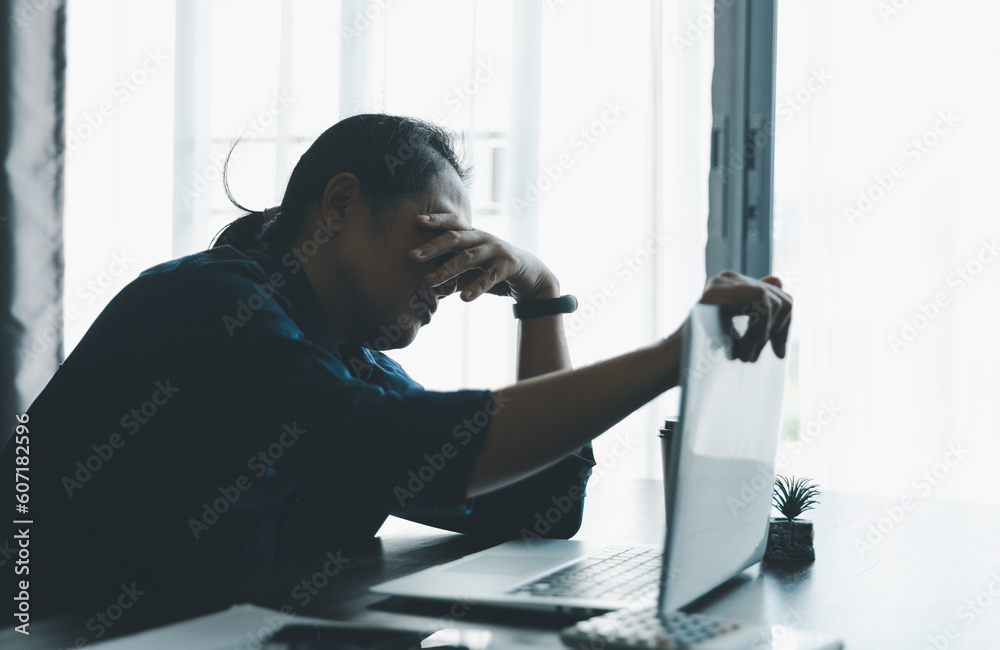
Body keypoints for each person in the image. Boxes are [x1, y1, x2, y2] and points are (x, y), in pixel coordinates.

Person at [1, 114, 791, 617]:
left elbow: (539, 510)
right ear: (341, 204)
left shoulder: (344, 359)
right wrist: (668, 359)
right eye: (437, 236)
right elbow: (400, 443)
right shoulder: (211, 307)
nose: (453, 272)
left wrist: (541, 296)